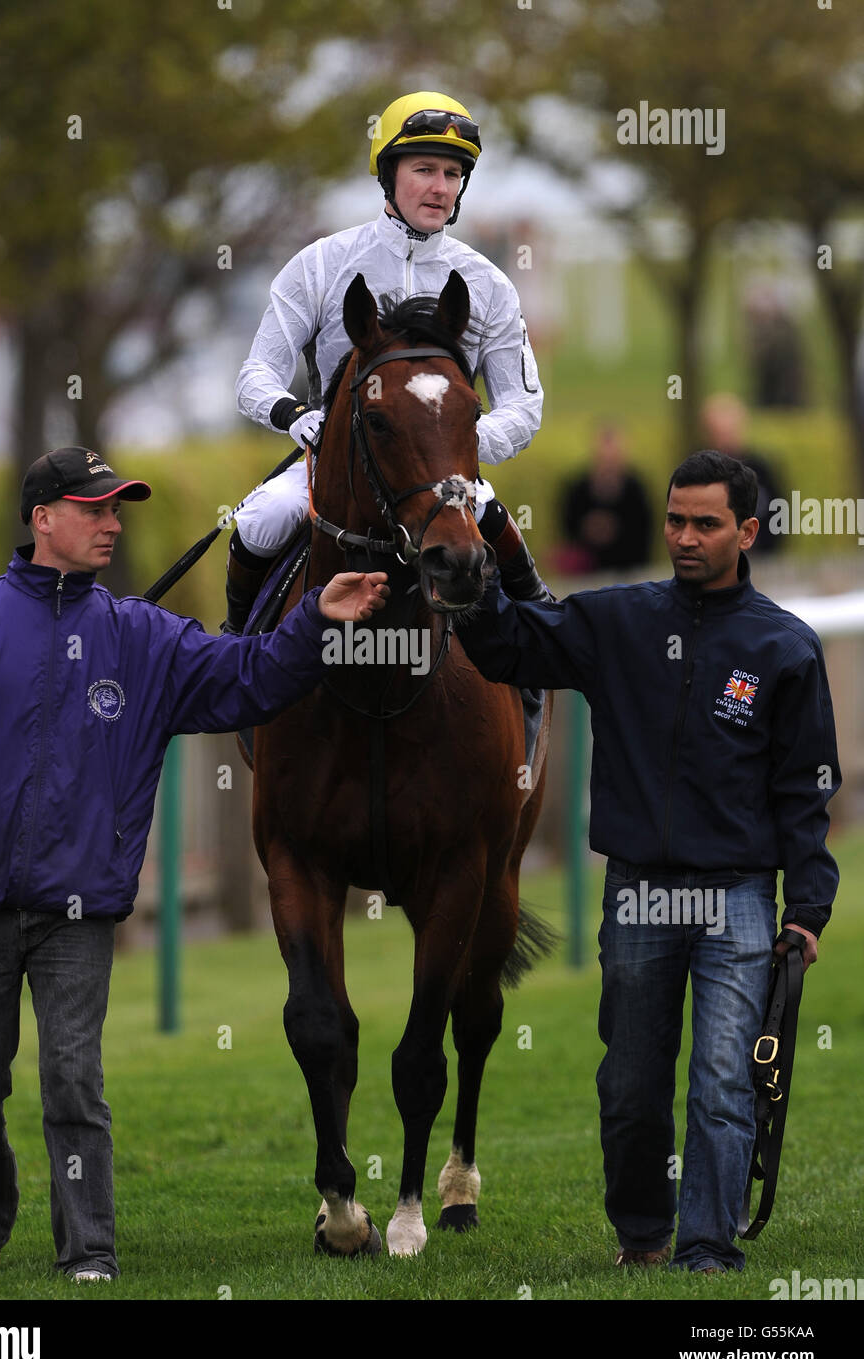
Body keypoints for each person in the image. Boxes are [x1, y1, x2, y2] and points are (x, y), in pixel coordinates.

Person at [0, 445, 388, 1282]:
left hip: (78, 912)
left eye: (117, 510)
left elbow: (249, 677)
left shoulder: (140, 637)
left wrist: (311, 621)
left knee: (73, 1085)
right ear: (42, 518)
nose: (112, 524)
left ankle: (89, 1252)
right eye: (95, 509)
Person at [455, 449, 840, 1273]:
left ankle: (705, 1248)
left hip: (738, 898)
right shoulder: (615, 621)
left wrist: (806, 908)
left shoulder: (786, 647)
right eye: (674, 520)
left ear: (747, 531)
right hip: (637, 898)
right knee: (629, 1091)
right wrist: (472, 587)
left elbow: (805, 794)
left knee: (721, 1087)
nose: (685, 537)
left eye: (705, 523)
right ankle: (641, 1238)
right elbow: (512, 651)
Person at [225, 90, 548, 633]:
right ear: (388, 176)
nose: (440, 187)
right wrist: (293, 416)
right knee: (262, 518)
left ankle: (535, 669)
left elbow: (523, 404)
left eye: (452, 173)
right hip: (332, 464)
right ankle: (234, 653)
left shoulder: (490, 285)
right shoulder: (320, 264)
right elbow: (254, 377)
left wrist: (458, 444)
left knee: (499, 532)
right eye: (424, 169)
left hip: (448, 480)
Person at [555, 421, 652, 574]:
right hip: (586, 575)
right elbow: (566, 531)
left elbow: (645, 534)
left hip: (628, 573)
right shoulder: (576, 489)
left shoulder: (637, 489)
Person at [700, 394, 785, 553]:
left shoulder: (761, 470)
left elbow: (779, 512)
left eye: (729, 432)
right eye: (719, 433)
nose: (726, 440)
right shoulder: (699, 472)